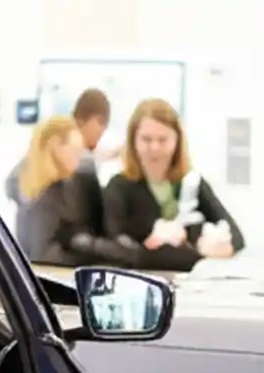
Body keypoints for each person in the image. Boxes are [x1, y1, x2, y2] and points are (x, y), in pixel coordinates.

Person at [103, 98, 244, 272]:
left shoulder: (192, 182)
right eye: (146, 139)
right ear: (133, 141)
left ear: (177, 141)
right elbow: (116, 245)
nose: (154, 148)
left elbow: (236, 236)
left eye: (162, 140)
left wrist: (220, 248)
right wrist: (196, 254)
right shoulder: (119, 187)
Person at [13, 115, 143, 267]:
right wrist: (94, 259)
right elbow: (44, 255)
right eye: (75, 150)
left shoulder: (53, 187)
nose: (80, 157)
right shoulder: (45, 196)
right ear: (56, 146)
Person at [6, 88, 111, 240]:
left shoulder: (78, 154)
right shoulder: (68, 148)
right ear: (95, 120)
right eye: (103, 125)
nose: (102, 133)